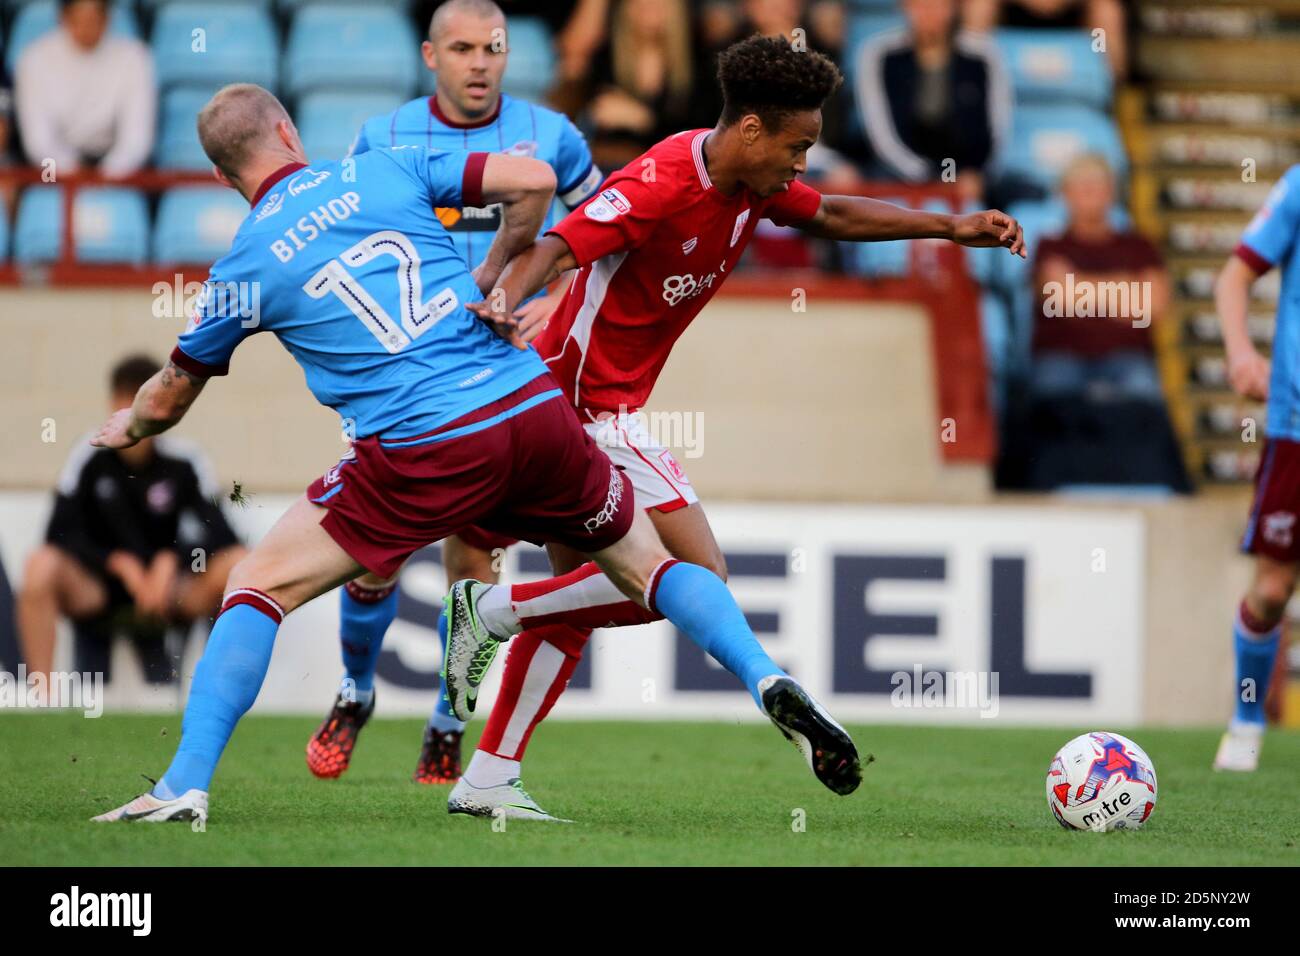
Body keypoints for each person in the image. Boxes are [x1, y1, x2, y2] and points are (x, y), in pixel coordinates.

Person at [91, 82, 862, 825]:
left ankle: (184, 785)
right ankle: (766, 677)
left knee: (260, 585)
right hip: (535, 408)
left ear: (225, 178)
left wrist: (129, 426)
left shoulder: (245, 265)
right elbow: (531, 180)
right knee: (652, 569)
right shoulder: (382, 166)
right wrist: (492, 276)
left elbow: (168, 396)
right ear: (291, 132)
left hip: (422, 445)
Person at [439, 33, 1024, 820]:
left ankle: (488, 772)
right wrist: (505, 300)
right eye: (798, 145)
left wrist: (948, 228)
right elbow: (558, 244)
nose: (803, 163)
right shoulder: (658, 183)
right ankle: (499, 620)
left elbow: (834, 215)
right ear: (751, 129)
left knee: (583, 600)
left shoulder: (751, 185)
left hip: (605, 407)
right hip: (580, 408)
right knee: (692, 579)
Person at [308, 0, 605, 787]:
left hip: (504, 377)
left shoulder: (554, 138)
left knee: (474, 559)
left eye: (494, 48)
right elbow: (350, 234)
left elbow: (606, 231)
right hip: (410, 376)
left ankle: (447, 719)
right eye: (464, 49)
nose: (481, 64)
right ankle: (356, 692)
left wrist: (551, 297)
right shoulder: (385, 137)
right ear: (430, 55)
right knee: (375, 558)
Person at [17, 356, 244, 699]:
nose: (131, 416)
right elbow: (60, 532)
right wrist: (117, 563)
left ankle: (220, 696)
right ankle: (42, 698)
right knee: (39, 566)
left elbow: (221, 532)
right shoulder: (89, 455)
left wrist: (172, 561)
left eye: (140, 403)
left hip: (171, 590)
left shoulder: (185, 460)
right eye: (123, 403)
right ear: (112, 405)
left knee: (240, 564)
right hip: (100, 589)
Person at [1210, 164, 1300, 771]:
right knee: (1272, 589)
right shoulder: (1298, 186)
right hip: (1295, 425)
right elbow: (1233, 277)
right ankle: (1247, 719)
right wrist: (1241, 353)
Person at [1029, 154, 1169, 403]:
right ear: (1065, 193)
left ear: (1112, 192)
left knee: (1143, 392)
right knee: (1053, 394)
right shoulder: (1050, 246)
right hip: (1062, 358)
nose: (1091, 194)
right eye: (1082, 187)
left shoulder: (1139, 246)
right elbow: (1059, 297)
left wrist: (1077, 284)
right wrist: (1124, 287)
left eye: (1098, 186)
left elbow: (1151, 306)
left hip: (1128, 360)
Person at [855, 0, 1011, 204]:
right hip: (898, 174)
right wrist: (933, 178)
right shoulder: (878, 53)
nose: (929, 13)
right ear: (905, 7)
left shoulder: (983, 54)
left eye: (939, 5)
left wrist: (977, 173)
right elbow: (881, 134)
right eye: (920, 5)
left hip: (971, 177)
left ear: (954, 8)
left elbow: (998, 125)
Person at [14, 0, 155, 178]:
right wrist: (71, 172)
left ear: (108, 18)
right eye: (78, 20)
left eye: (94, 19)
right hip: (52, 170)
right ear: (63, 17)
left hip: (119, 171)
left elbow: (137, 139)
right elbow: (37, 140)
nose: (87, 28)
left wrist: (108, 174)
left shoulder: (136, 58)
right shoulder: (33, 59)